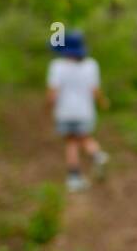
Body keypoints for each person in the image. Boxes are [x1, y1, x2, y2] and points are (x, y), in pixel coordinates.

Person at [46, 29, 108, 191]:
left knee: (72, 141)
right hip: (85, 111)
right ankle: (96, 155)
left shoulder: (57, 66)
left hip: (64, 112)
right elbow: (95, 90)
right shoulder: (91, 65)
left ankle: (74, 177)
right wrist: (102, 102)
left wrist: (48, 107)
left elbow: (53, 93)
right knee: (84, 137)